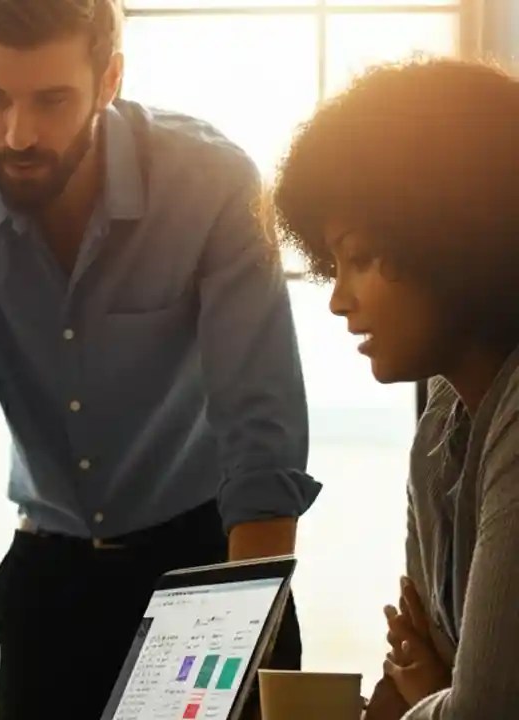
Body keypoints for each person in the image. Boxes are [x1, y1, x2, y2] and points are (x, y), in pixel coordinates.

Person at [0, 1, 320, 717]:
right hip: (48, 582)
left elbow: (261, 441)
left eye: (51, 101)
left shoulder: (212, 182)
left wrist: (242, 658)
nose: (17, 134)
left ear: (109, 78)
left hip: (211, 565)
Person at [270, 57, 519, 720]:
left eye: (357, 258)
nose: (339, 300)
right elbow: (422, 664)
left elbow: (481, 707)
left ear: (444, 235)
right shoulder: (444, 420)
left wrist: (442, 695)